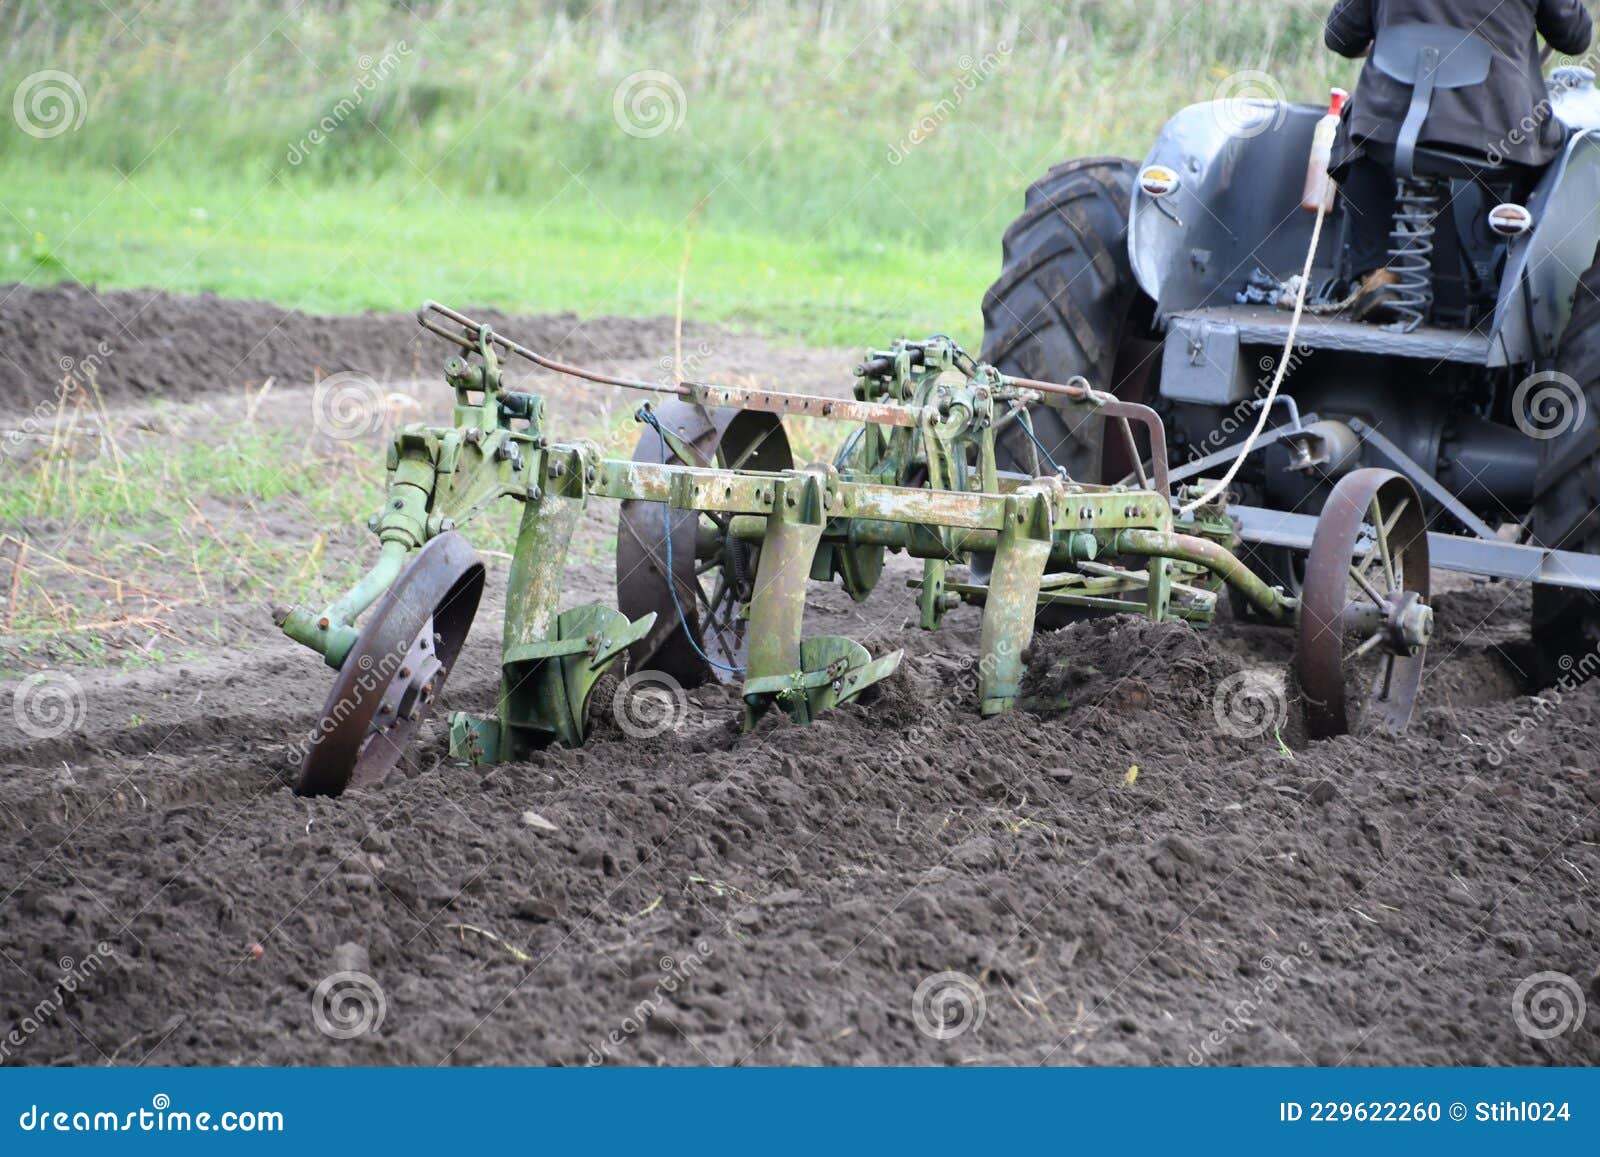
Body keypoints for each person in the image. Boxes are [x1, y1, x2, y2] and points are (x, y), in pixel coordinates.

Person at [1325, 0, 1593, 320]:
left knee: (1358, 128)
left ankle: (1377, 274)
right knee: (1560, 147)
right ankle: (1515, 273)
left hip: (1395, 125)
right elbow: (1575, 37)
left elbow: (1340, 37)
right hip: (1504, 131)